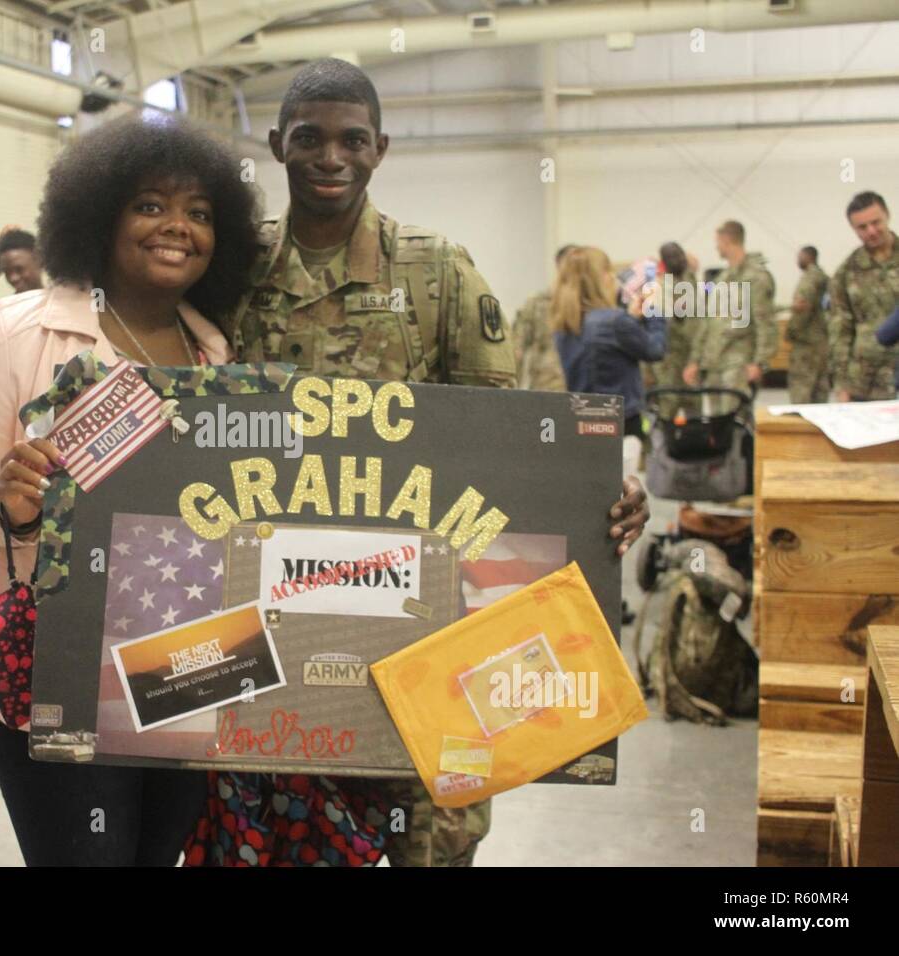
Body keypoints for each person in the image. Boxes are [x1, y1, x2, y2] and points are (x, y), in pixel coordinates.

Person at [231, 59, 650, 868]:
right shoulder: (236, 270)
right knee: (288, 834)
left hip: (425, 608)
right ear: (279, 144)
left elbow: (501, 436)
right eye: (310, 139)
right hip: (274, 605)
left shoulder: (436, 270)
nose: (331, 158)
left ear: (380, 148)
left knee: (437, 829)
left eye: (353, 140)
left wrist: (592, 493)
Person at [0, 114, 259, 865]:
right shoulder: (19, 332)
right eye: (151, 205)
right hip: (54, 659)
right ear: (98, 214)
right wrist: (2, 505)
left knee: (157, 852)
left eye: (199, 213)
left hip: (187, 652)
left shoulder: (215, 350)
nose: (178, 228)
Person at [552, 246, 666, 441]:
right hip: (621, 422)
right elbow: (655, 349)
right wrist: (653, 309)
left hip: (582, 420)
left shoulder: (564, 324)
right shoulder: (614, 322)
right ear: (602, 278)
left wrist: (629, 318)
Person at [682, 220, 777, 398]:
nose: (716, 247)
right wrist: (694, 361)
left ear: (726, 240)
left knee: (736, 420)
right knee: (715, 423)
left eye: (717, 243)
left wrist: (759, 363)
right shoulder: (722, 279)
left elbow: (765, 323)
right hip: (713, 365)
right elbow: (707, 323)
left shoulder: (756, 277)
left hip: (738, 364)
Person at [828, 191, 899, 402]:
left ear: (887, 215)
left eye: (876, 222)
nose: (871, 231)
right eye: (862, 227)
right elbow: (840, 331)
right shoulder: (846, 272)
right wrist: (841, 386)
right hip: (866, 383)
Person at [643, 241, 699, 422]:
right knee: (671, 402)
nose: (678, 260)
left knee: (686, 401)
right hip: (670, 356)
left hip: (682, 356)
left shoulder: (686, 284)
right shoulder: (661, 286)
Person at [513, 245, 573, 392]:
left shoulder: (592, 306)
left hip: (584, 387)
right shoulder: (538, 303)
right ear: (559, 265)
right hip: (547, 385)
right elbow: (516, 348)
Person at [787, 245, 831, 404]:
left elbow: (802, 307)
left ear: (807, 256)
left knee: (801, 389)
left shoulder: (809, 278)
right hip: (822, 340)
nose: (798, 260)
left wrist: (792, 331)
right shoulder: (824, 277)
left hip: (806, 343)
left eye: (800, 256)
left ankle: (801, 427)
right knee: (820, 389)